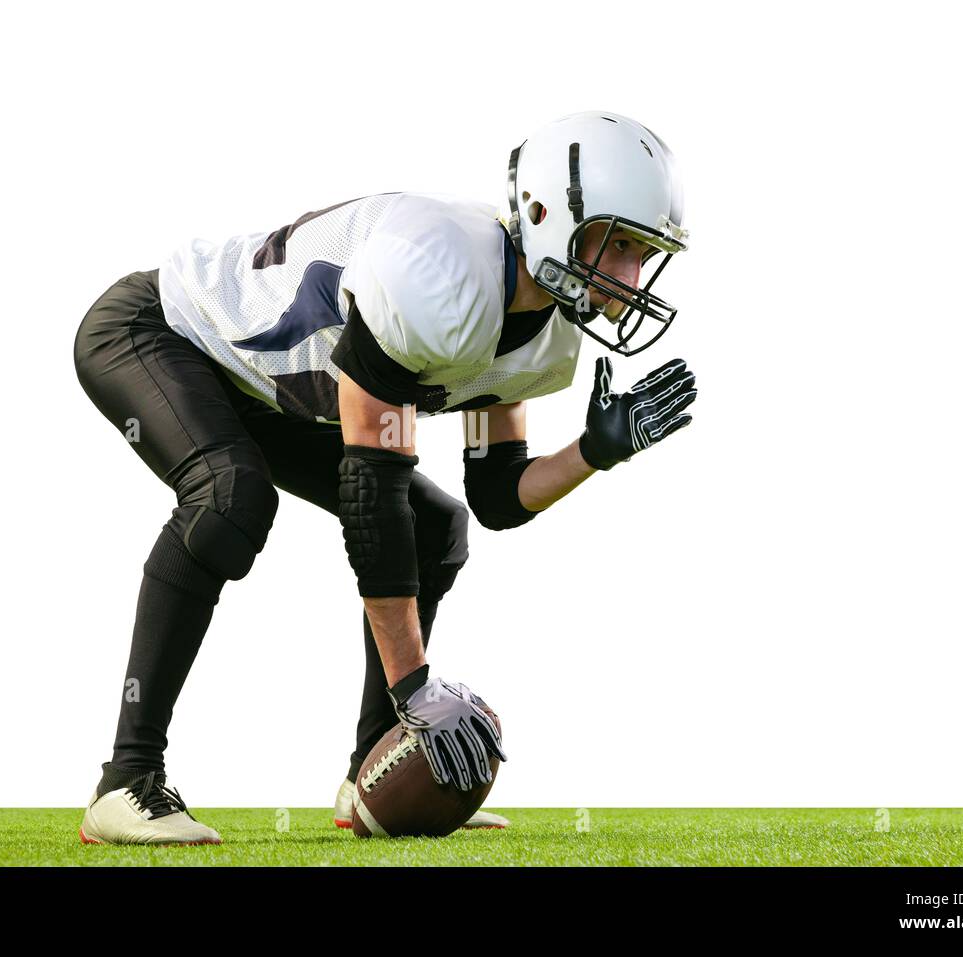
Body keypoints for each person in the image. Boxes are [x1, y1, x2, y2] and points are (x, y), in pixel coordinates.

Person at [72, 111, 697, 844]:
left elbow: (496, 494)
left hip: (271, 393)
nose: (630, 275)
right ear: (547, 213)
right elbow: (371, 497)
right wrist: (416, 689)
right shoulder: (436, 270)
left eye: (643, 252)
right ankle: (126, 779)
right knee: (230, 495)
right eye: (619, 243)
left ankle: (373, 762)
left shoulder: (547, 338)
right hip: (160, 330)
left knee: (439, 529)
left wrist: (594, 450)